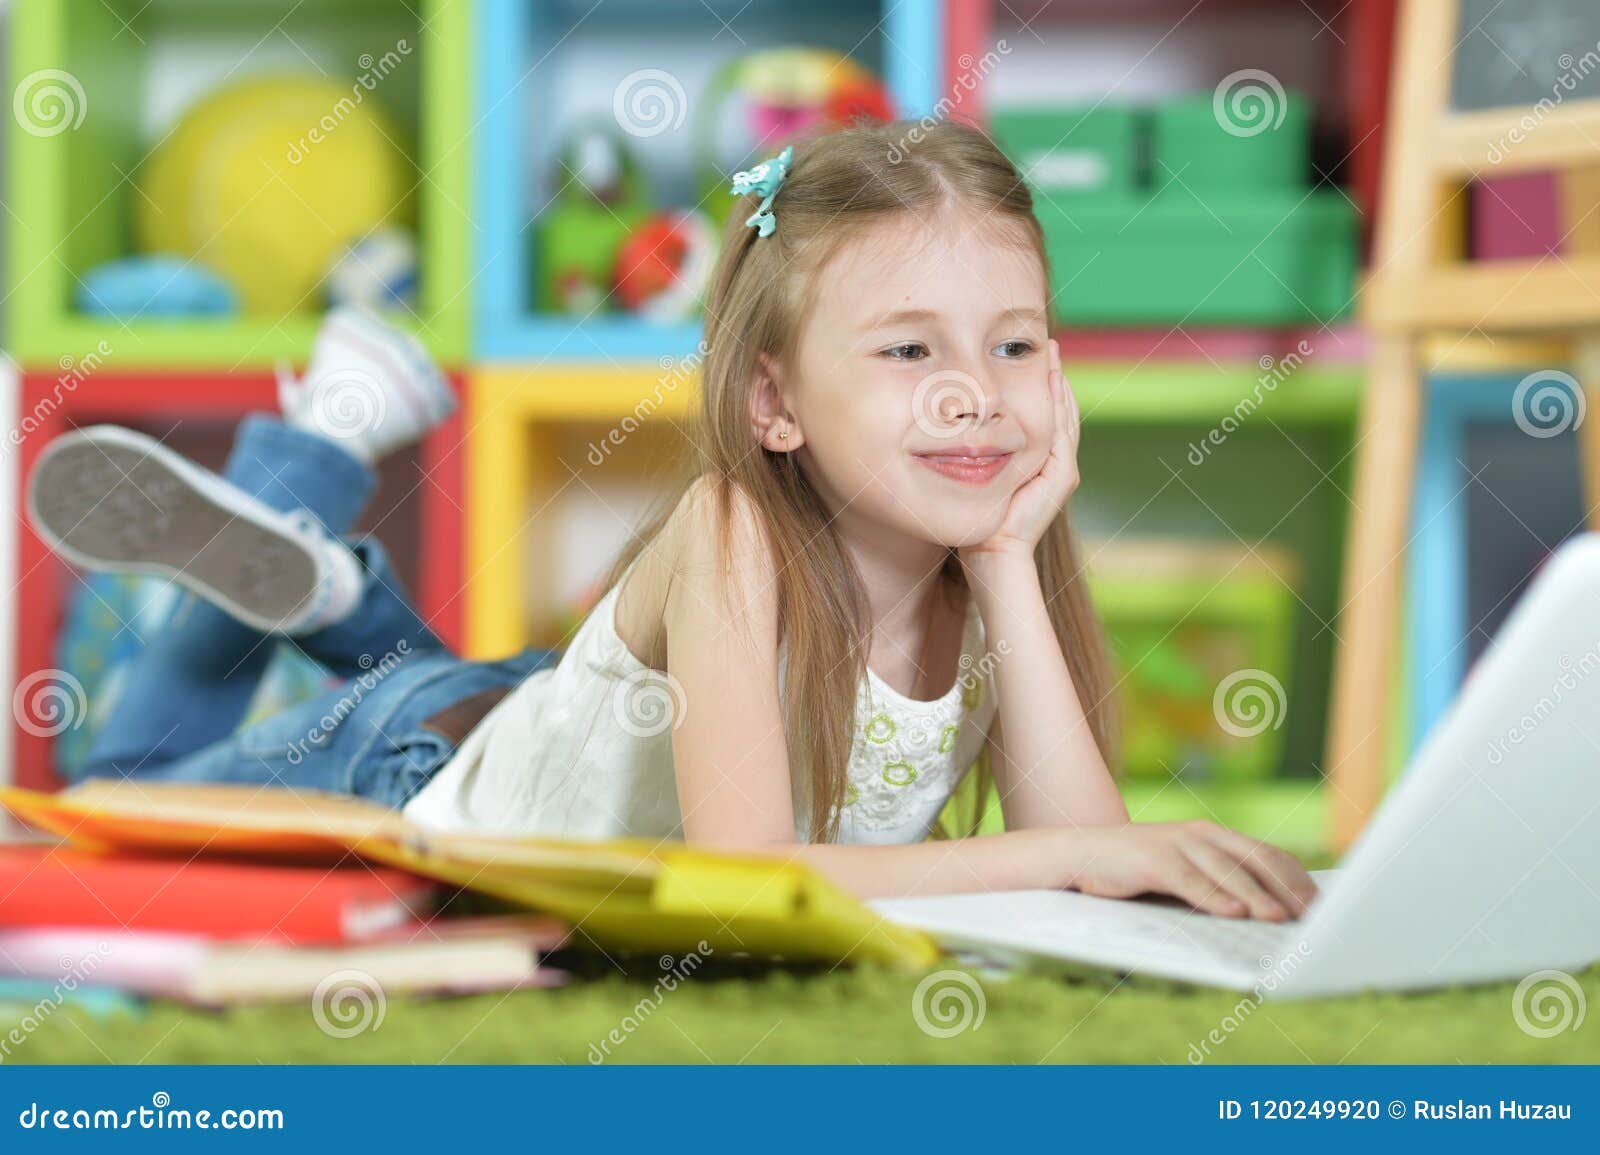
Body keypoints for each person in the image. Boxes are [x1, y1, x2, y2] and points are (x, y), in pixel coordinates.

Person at [27, 120, 1316, 914]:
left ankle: (329, 598)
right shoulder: (733, 528)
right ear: (774, 401)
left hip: (548, 718)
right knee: (110, 800)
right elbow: (743, 880)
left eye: (1017, 344)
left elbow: (1073, 849)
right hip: (424, 767)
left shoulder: (990, 570)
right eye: (910, 352)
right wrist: (1077, 862)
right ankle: (315, 470)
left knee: (452, 687)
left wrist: (1011, 563)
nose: (978, 396)